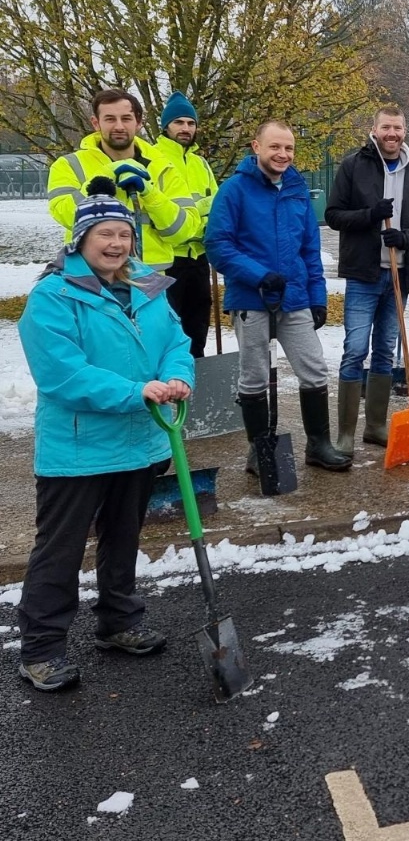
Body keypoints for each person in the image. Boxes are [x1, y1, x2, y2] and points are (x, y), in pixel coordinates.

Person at [16, 177, 194, 692]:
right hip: (79, 447)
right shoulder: (53, 297)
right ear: (81, 239)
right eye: (104, 235)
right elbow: (62, 375)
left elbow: (176, 342)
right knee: (61, 549)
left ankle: (119, 622)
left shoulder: (148, 287)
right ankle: (42, 648)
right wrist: (137, 391)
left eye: (123, 234)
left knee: (123, 538)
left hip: (142, 439)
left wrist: (180, 375)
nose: (116, 244)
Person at [206, 120, 350, 474]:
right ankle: (259, 449)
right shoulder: (235, 190)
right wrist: (259, 276)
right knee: (254, 375)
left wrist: (317, 296)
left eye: (288, 148)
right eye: (275, 147)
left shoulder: (297, 189)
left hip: (295, 297)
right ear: (257, 147)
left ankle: (318, 444)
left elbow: (309, 248)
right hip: (251, 298)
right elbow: (217, 245)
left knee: (314, 369)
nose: (282, 154)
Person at [325, 107, 409, 452]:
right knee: (355, 350)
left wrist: (404, 238)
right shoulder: (353, 165)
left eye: (398, 128)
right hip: (363, 274)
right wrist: (371, 216)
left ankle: (374, 426)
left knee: (385, 351)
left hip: (399, 276)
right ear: (375, 130)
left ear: (405, 131)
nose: (392, 133)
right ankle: (345, 433)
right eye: (386, 127)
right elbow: (333, 215)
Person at [48, 87, 200, 273]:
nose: (119, 126)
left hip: (149, 282)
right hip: (91, 281)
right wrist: (103, 178)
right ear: (96, 123)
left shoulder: (163, 167)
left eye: (126, 119)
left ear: (138, 123)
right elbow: (65, 215)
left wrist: (150, 194)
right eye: (110, 119)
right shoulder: (69, 165)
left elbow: (182, 231)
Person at [152, 90, 219, 358]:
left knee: (197, 330)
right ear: (165, 125)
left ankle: (197, 391)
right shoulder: (153, 158)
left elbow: (215, 204)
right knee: (168, 332)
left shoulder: (200, 163)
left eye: (190, 123)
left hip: (199, 258)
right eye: (179, 122)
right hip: (168, 259)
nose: (186, 128)